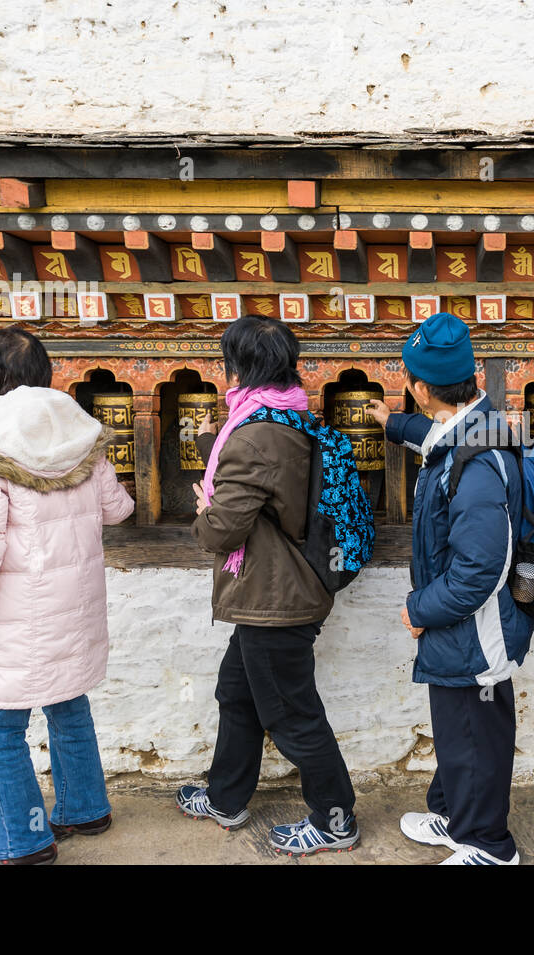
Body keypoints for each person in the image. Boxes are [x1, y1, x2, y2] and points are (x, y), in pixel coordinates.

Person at [0, 327, 136, 865]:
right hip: (74, 608)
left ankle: (22, 843)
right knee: (68, 701)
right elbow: (118, 509)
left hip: (16, 618)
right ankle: (85, 809)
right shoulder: (81, 433)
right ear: (46, 373)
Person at [175, 316, 358, 856]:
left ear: (238, 368)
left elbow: (221, 530)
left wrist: (204, 509)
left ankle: (335, 819)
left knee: (293, 715)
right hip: (279, 593)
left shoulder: (252, 436)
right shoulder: (293, 418)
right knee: (237, 693)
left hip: (276, 599)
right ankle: (226, 797)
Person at [365, 312, 532, 865]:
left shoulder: (479, 463)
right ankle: (456, 814)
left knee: (475, 730)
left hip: (473, 626)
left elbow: (479, 570)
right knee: (457, 728)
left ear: (419, 387)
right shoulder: (470, 427)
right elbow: (436, 438)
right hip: (459, 625)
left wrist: (420, 608)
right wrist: (393, 424)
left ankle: (488, 845)